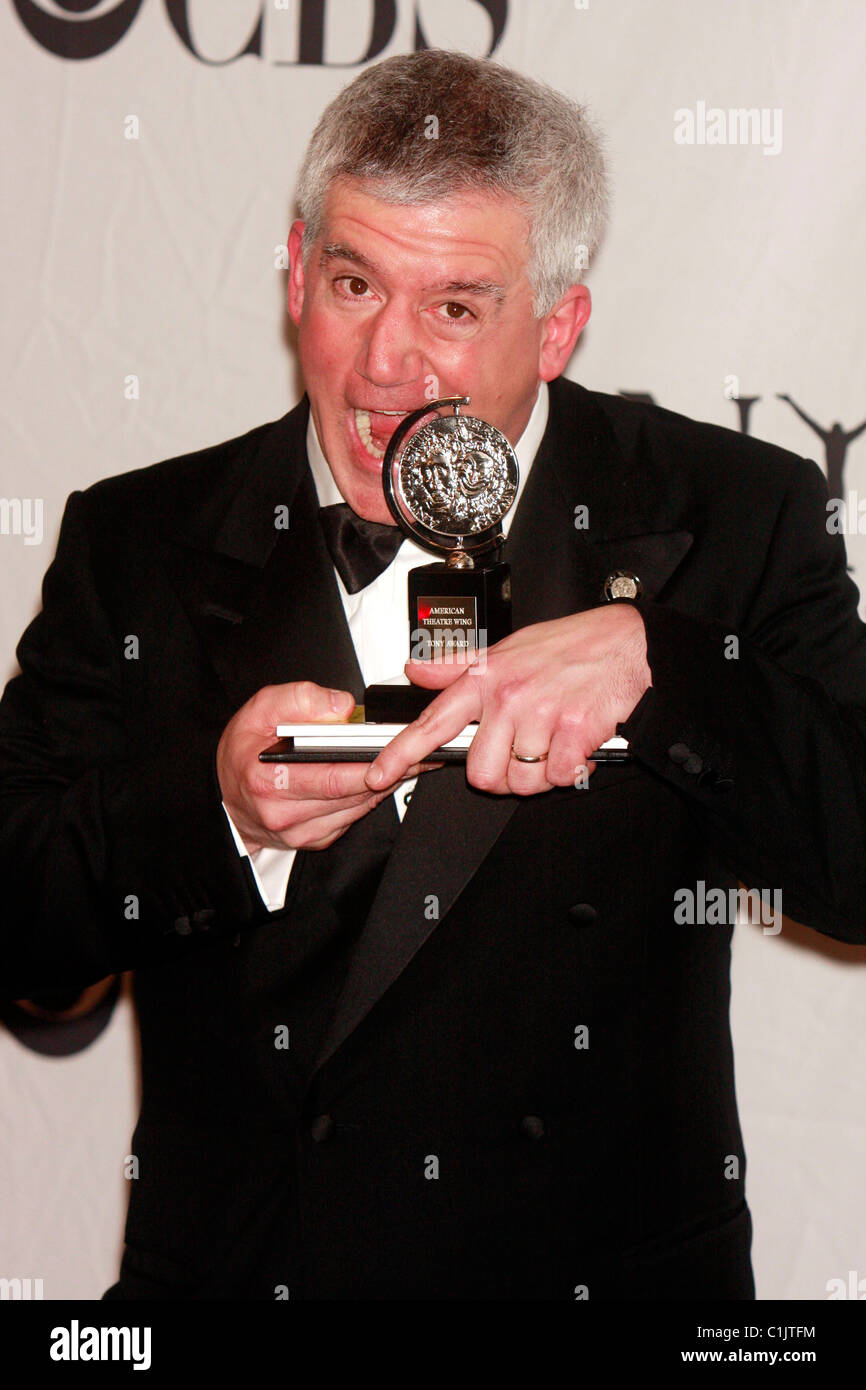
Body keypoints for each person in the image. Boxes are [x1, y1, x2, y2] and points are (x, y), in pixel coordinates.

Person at [1, 49, 865, 1302]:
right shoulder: (138, 535)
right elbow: (22, 927)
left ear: (558, 324)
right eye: (353, 283)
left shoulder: (729, 512)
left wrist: (662, 661)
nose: (385, 365)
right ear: (296, 274)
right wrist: (217, 814)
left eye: (456, 306)